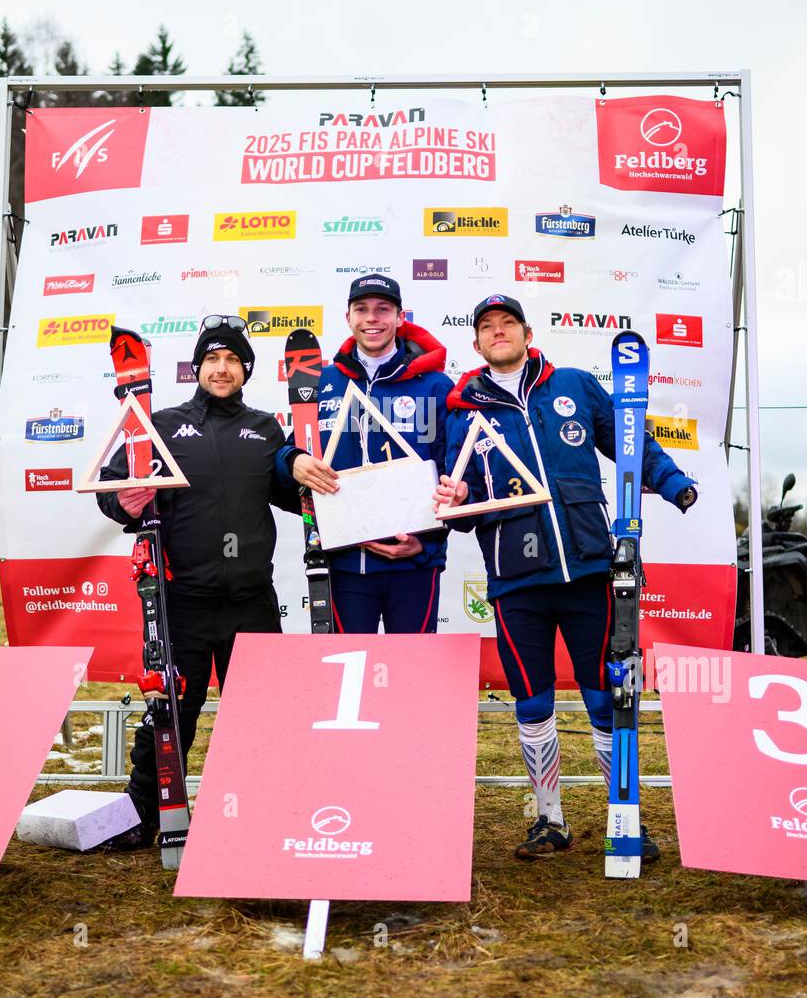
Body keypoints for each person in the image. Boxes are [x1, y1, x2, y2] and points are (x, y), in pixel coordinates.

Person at [434, 294, 698, 862]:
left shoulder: (574, 386)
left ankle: (623, 818)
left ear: (528, 332)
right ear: (475, 342)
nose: (498, 332)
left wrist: (674, 483)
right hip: (513, 578)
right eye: (487, 326)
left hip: (589, 568)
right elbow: (459, 494)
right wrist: (455, 498)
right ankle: (548, 820)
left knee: (606, 695)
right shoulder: (462, 410)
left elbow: (630, 443)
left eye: (508, 323)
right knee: (531, 702)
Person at [95, 314, 302, 849]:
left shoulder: (266, 429)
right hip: (181, 599)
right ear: (197, 367)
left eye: (233, 358)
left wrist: (311, 476)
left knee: (259, 715)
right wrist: (125, 501)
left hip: (252, 600)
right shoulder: (160, 423)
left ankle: (261, 809)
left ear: (246, 369)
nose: (222, 367)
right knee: (170, 714)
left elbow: (292, 496)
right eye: (212, 358)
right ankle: (148, 811)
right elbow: (114, 489)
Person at [281, 274, 454, 633]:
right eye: (361, 309)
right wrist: (291, 461)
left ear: (400, 317)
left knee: (409, 676)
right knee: (349, 673)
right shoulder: (320, 382)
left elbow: (457, 473)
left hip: (414, 566)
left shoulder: (436, 385)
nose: (372, 318)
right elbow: (290, 453)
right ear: (348, 318)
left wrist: (425, 543)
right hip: (344, 565)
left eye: (382, 309)